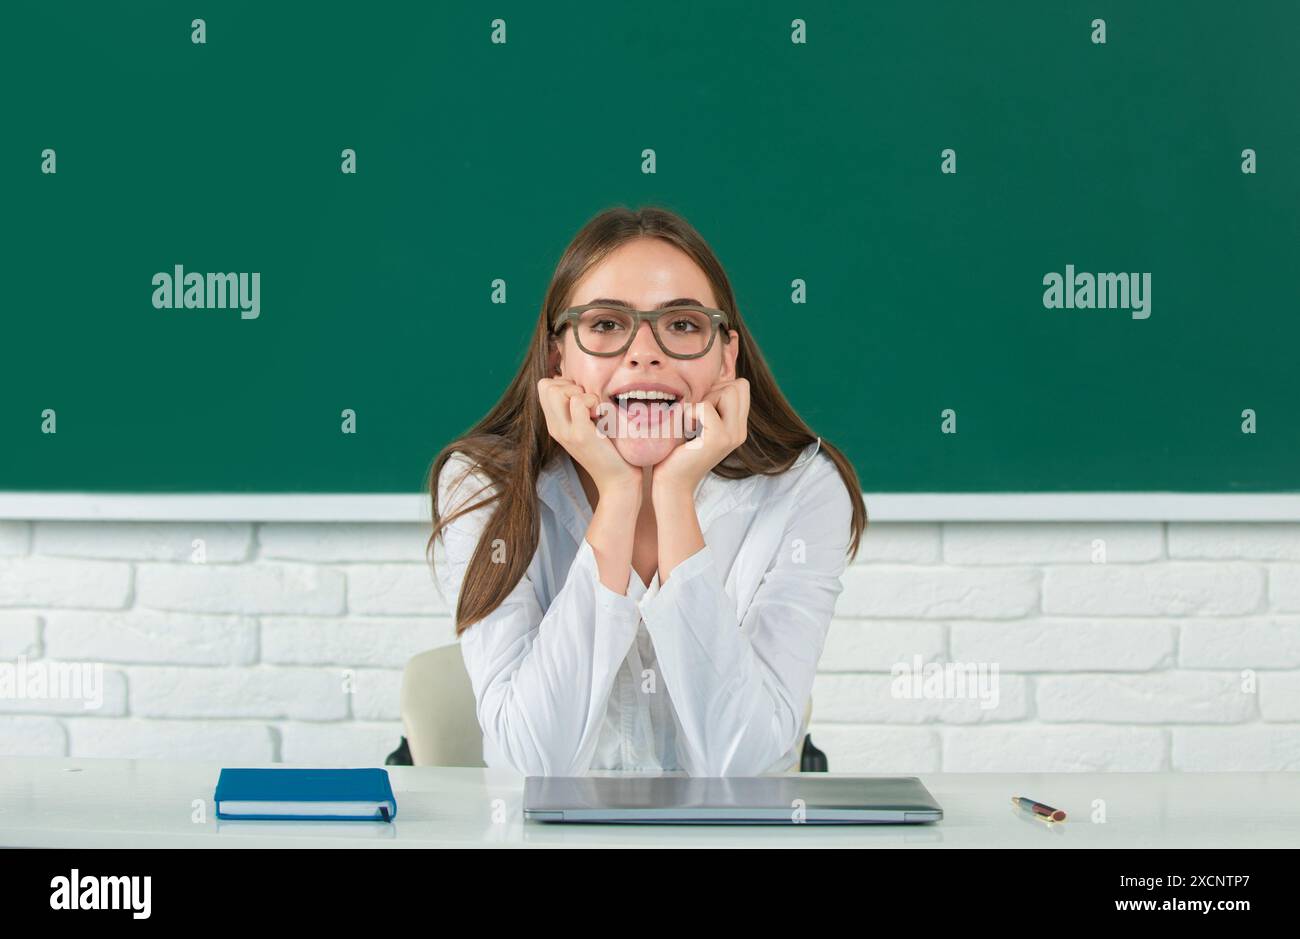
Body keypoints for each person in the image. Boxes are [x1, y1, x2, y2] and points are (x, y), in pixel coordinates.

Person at [426, 205, 866, 777]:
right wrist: (617, 494)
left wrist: (675, 493)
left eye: (682, 325)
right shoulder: (483, 483)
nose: (644, 353)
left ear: (727, 355)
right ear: (558, 353)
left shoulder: (803, 488)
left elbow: (744, 764)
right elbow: (534, 761)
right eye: (606, 324)